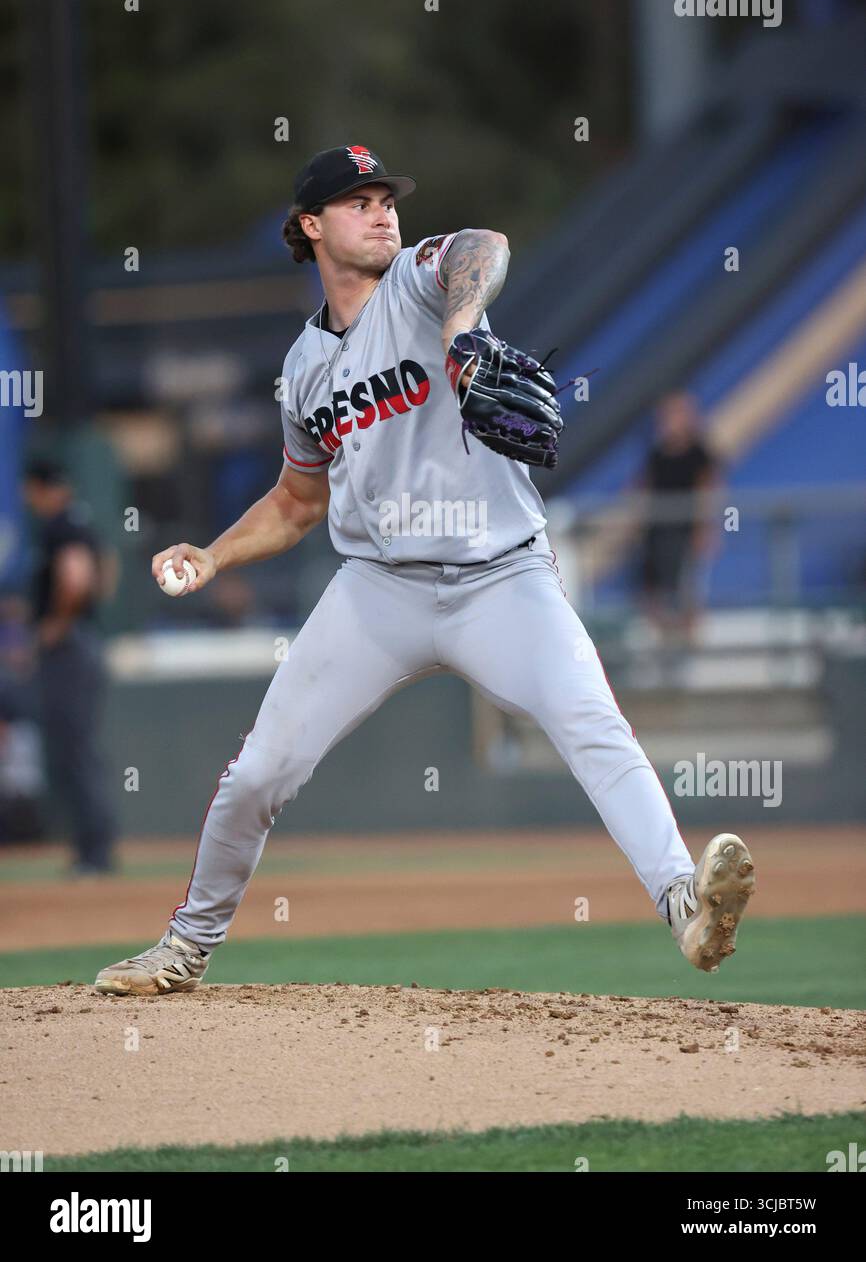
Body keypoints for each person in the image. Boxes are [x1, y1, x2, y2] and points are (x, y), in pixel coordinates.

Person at [94, 144, 754, 995]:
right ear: (310, 226)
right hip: (379, 590)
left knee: (592, 721)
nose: (381, 211)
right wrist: (213, 552)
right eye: (357, 200)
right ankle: (186, 947)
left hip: (500, 576)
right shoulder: (302, 370)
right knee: (259, 770)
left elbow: (486, 242)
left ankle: (683, 906)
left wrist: (465, 322)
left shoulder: (419, 279)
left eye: (386, 198)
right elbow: (297, 503)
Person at [22, 459, 117, 875]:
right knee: (76, 748)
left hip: (69, 647)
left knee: (72, 750)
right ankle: (90, 850)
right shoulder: (81, 520)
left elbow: (76, 578)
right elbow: (105, 570)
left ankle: (93, 854)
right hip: (86, 640)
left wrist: (56, 625)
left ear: (41, 488)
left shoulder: (60, 525)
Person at [638, 392, 720, 639]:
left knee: (687, 588)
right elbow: (645, 488)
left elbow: (708, 490)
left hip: (686, 531)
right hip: (659, 533)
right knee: (656, 590)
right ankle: (664, 637)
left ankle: (687, 638)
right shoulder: (656, 454)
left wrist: (705, 528)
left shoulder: (699, 453)